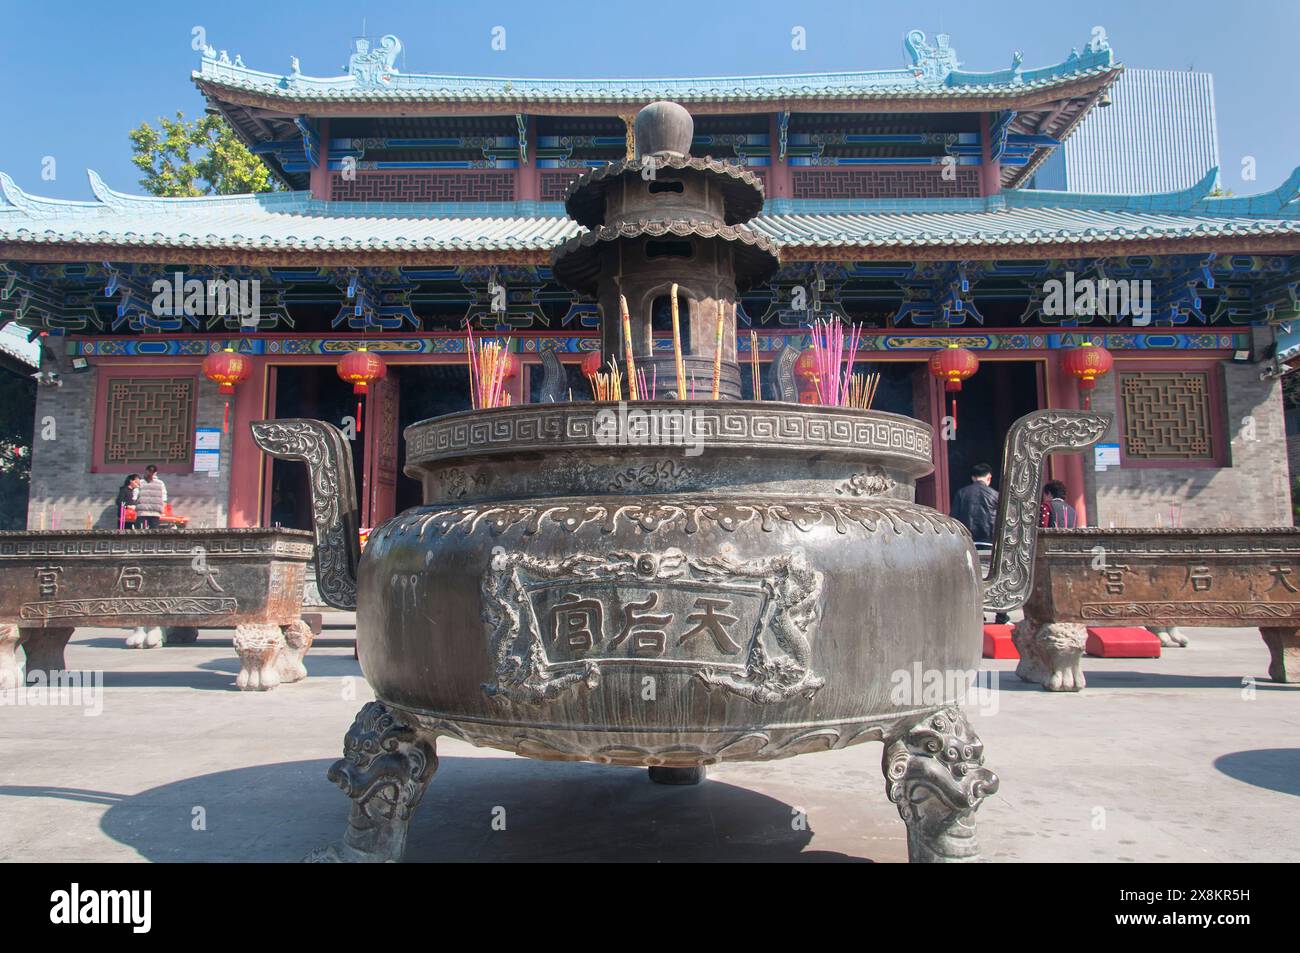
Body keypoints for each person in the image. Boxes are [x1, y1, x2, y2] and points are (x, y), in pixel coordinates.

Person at [951, 463, 998, 545]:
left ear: (973, 478)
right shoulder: (995, 495)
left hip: (967, 541)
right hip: (990, 542)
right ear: (989, 478)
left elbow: (953, 518)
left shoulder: (961, 493)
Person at [135, 465, 168, 530]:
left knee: (140, 533)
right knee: (153, 533)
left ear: (145, 471)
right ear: (155, 473)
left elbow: (134, 496)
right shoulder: (160, 483)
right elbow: (164, 497)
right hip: (155, 512)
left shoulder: (140, 482)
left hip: (142, 512)